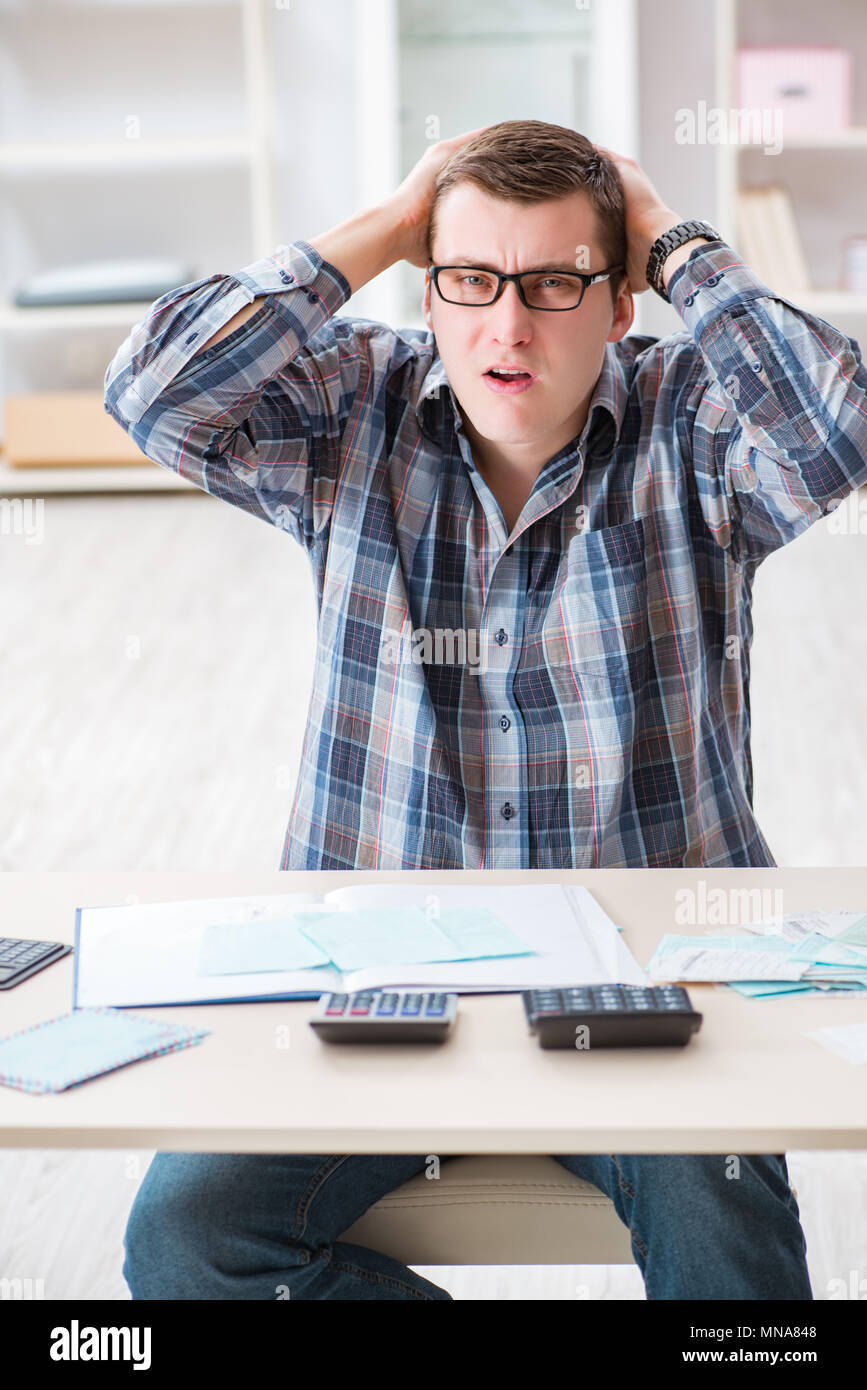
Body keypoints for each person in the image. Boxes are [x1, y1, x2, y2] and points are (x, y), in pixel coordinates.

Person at [107, 119, 866, 1298]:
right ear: (431, 289)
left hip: (644, 982)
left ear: (621, 305)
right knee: (187, 1236)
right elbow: (152, 391)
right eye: (472, 279)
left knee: (733, 1270)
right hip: (379, 970)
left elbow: (840, 430)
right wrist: (385, 225)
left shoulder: (698, 424)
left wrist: (675, 240)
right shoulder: (350, 405)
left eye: (557, 282)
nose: (508, 325)